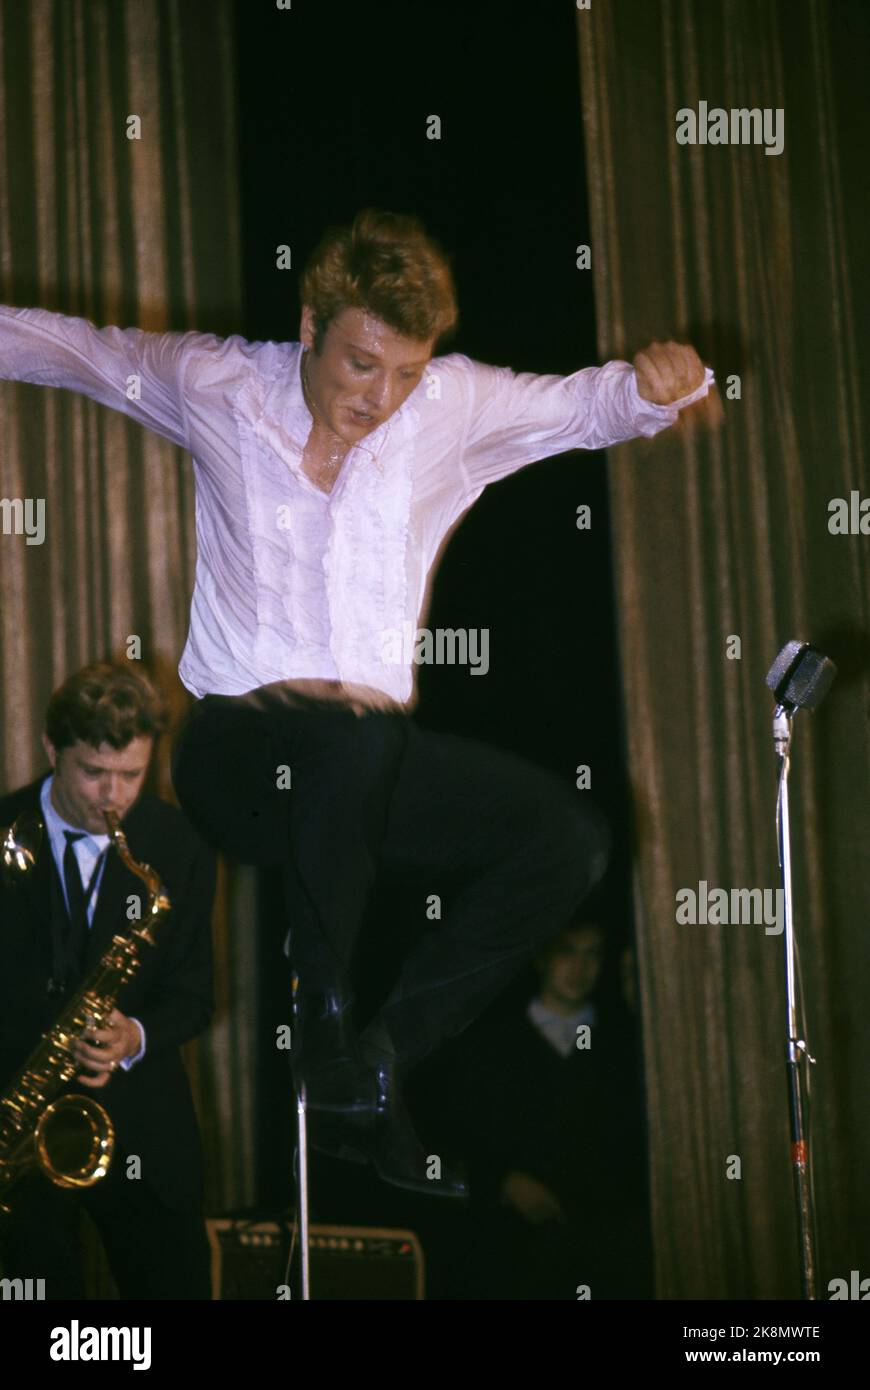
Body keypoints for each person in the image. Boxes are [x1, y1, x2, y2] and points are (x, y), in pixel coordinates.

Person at [0, 207, 716, 1201]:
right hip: (235, 758)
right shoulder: (220, 384)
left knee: (570, 836)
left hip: (360, 769)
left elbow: (580, 408)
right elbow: (77, 351)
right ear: (309, 326)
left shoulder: (449, 412)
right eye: (359, 366)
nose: (379, 399)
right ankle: (323, 1037)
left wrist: (657, 388)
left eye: (405, 374)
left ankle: (373, 1063)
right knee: (348, 738)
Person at [0, 663, 216, 1299]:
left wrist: (134, 1036)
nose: (112, 797)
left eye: (132, 775)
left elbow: (197, 996)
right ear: (51, 748)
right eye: (94, 772)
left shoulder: (178, 845)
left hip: (143, 1130)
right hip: (19, 1139)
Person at [432, 918, 653, 1298]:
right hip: (513, 1254)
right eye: (567, 951)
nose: (579, 968)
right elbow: (452, 1136)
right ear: (542, 956)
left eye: (593, 954)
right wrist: (502, 1180)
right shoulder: (493, 1044)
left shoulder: (622, 1045)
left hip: (605, 1254)